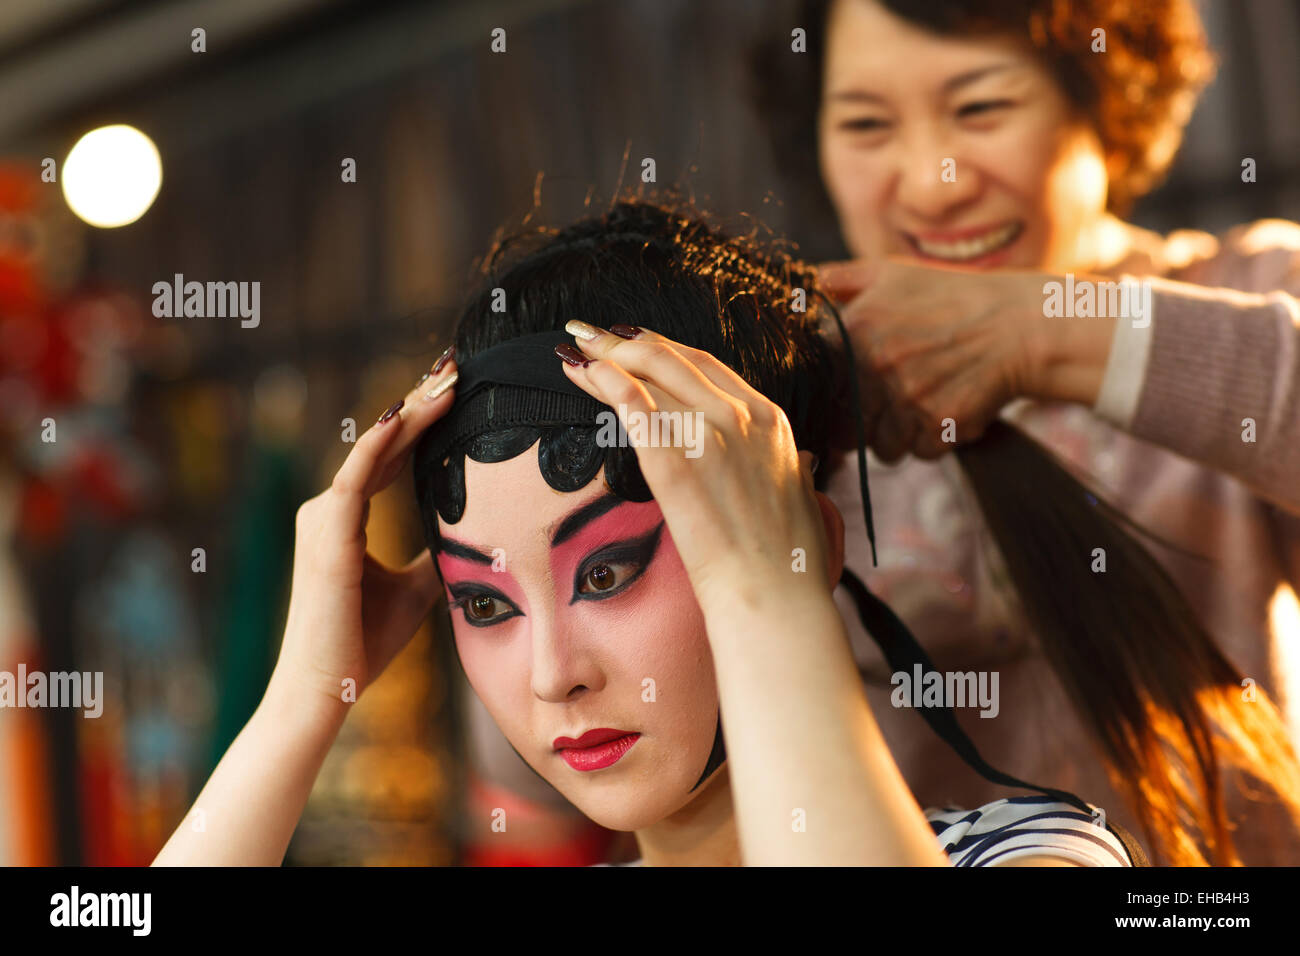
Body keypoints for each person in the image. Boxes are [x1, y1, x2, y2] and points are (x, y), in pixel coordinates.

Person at [157, 195, 1290, 866]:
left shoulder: (1027, 853)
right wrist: (302, 705)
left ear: (801, 535)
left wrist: (770, 582)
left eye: (608, 566)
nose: (552, 674)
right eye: (485, 603)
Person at [743, 0, 1300, 865]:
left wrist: (1045, 331)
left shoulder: (1251, 288)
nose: (934, 181)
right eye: (864, 124)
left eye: (981, 108)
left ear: (1108, 103)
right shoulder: (775, 398)